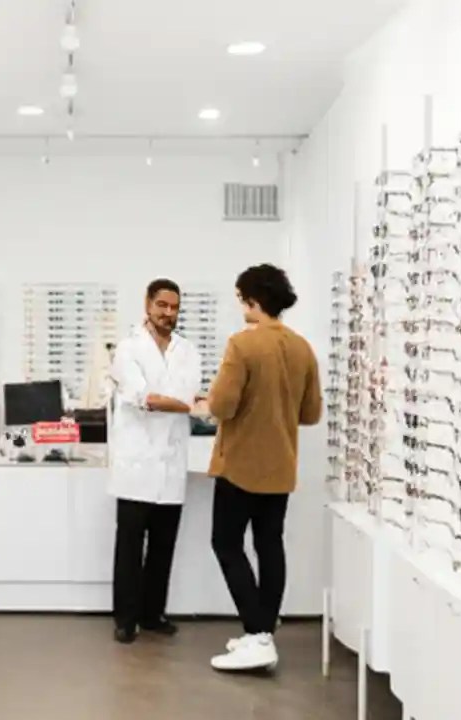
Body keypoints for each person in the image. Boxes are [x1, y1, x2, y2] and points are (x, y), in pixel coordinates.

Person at [203, 264, 322, 671]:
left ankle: (256, 633)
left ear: (252, 300)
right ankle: (262, 633)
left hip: (240, 465)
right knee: (269, 545)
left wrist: (211, 400)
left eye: (241, 299)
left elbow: (221, 406)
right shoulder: (303, 347)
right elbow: (311, 413)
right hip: (281, 465)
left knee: (226, 543)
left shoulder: (243, 345)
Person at [107, 278, 201, 644]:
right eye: (162, 305)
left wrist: (179, 400)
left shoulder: (187, 350)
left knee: (163, 545)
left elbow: (186, 392)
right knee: (129, 545)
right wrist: (186, 404)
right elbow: (141, 396)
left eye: (174, 307)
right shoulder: (128, 349)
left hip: (172, 460)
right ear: (147, 304)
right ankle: (125, 619)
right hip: (136, 462)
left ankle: (152, 614)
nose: (169, 313)